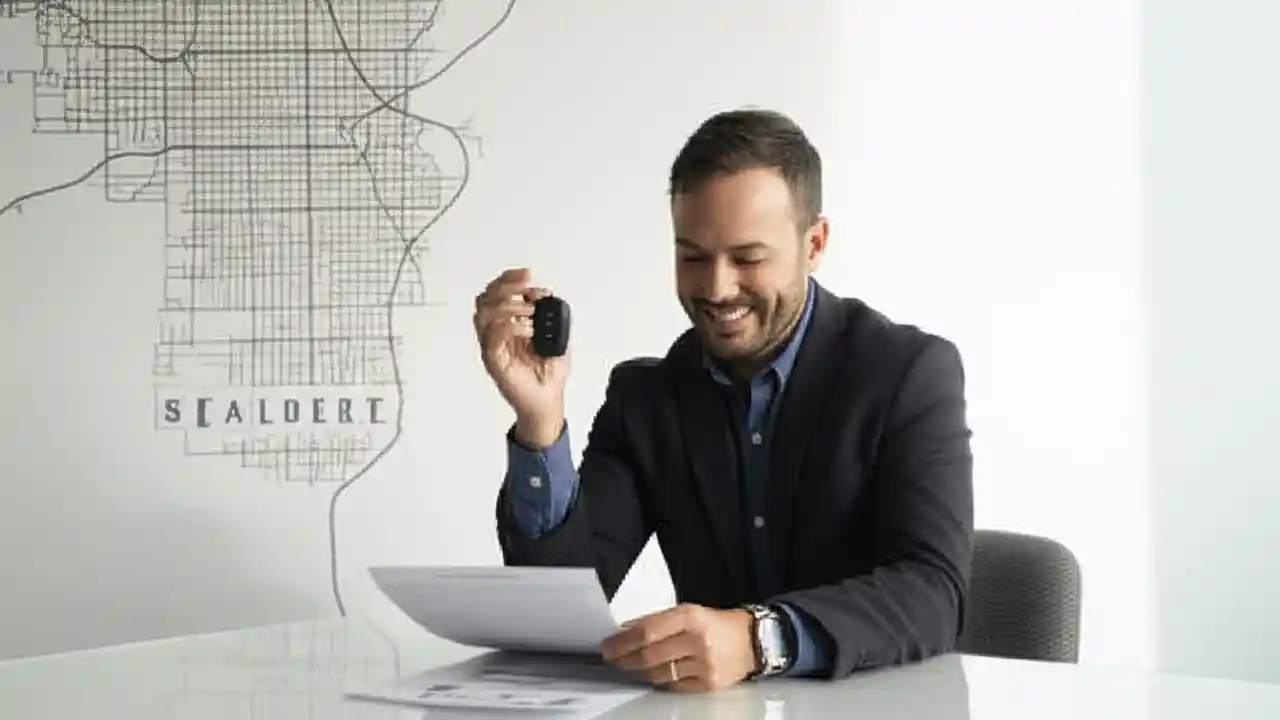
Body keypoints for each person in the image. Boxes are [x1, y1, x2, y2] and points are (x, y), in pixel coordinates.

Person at [471, 108, 973, 693]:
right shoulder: (646, 400)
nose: (716, 288)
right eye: (692, 256)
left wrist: (760, 637)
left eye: (748, 259)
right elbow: (553, 611)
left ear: (815, 244)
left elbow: (936, 590)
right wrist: (540, 421)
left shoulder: (907, 373)